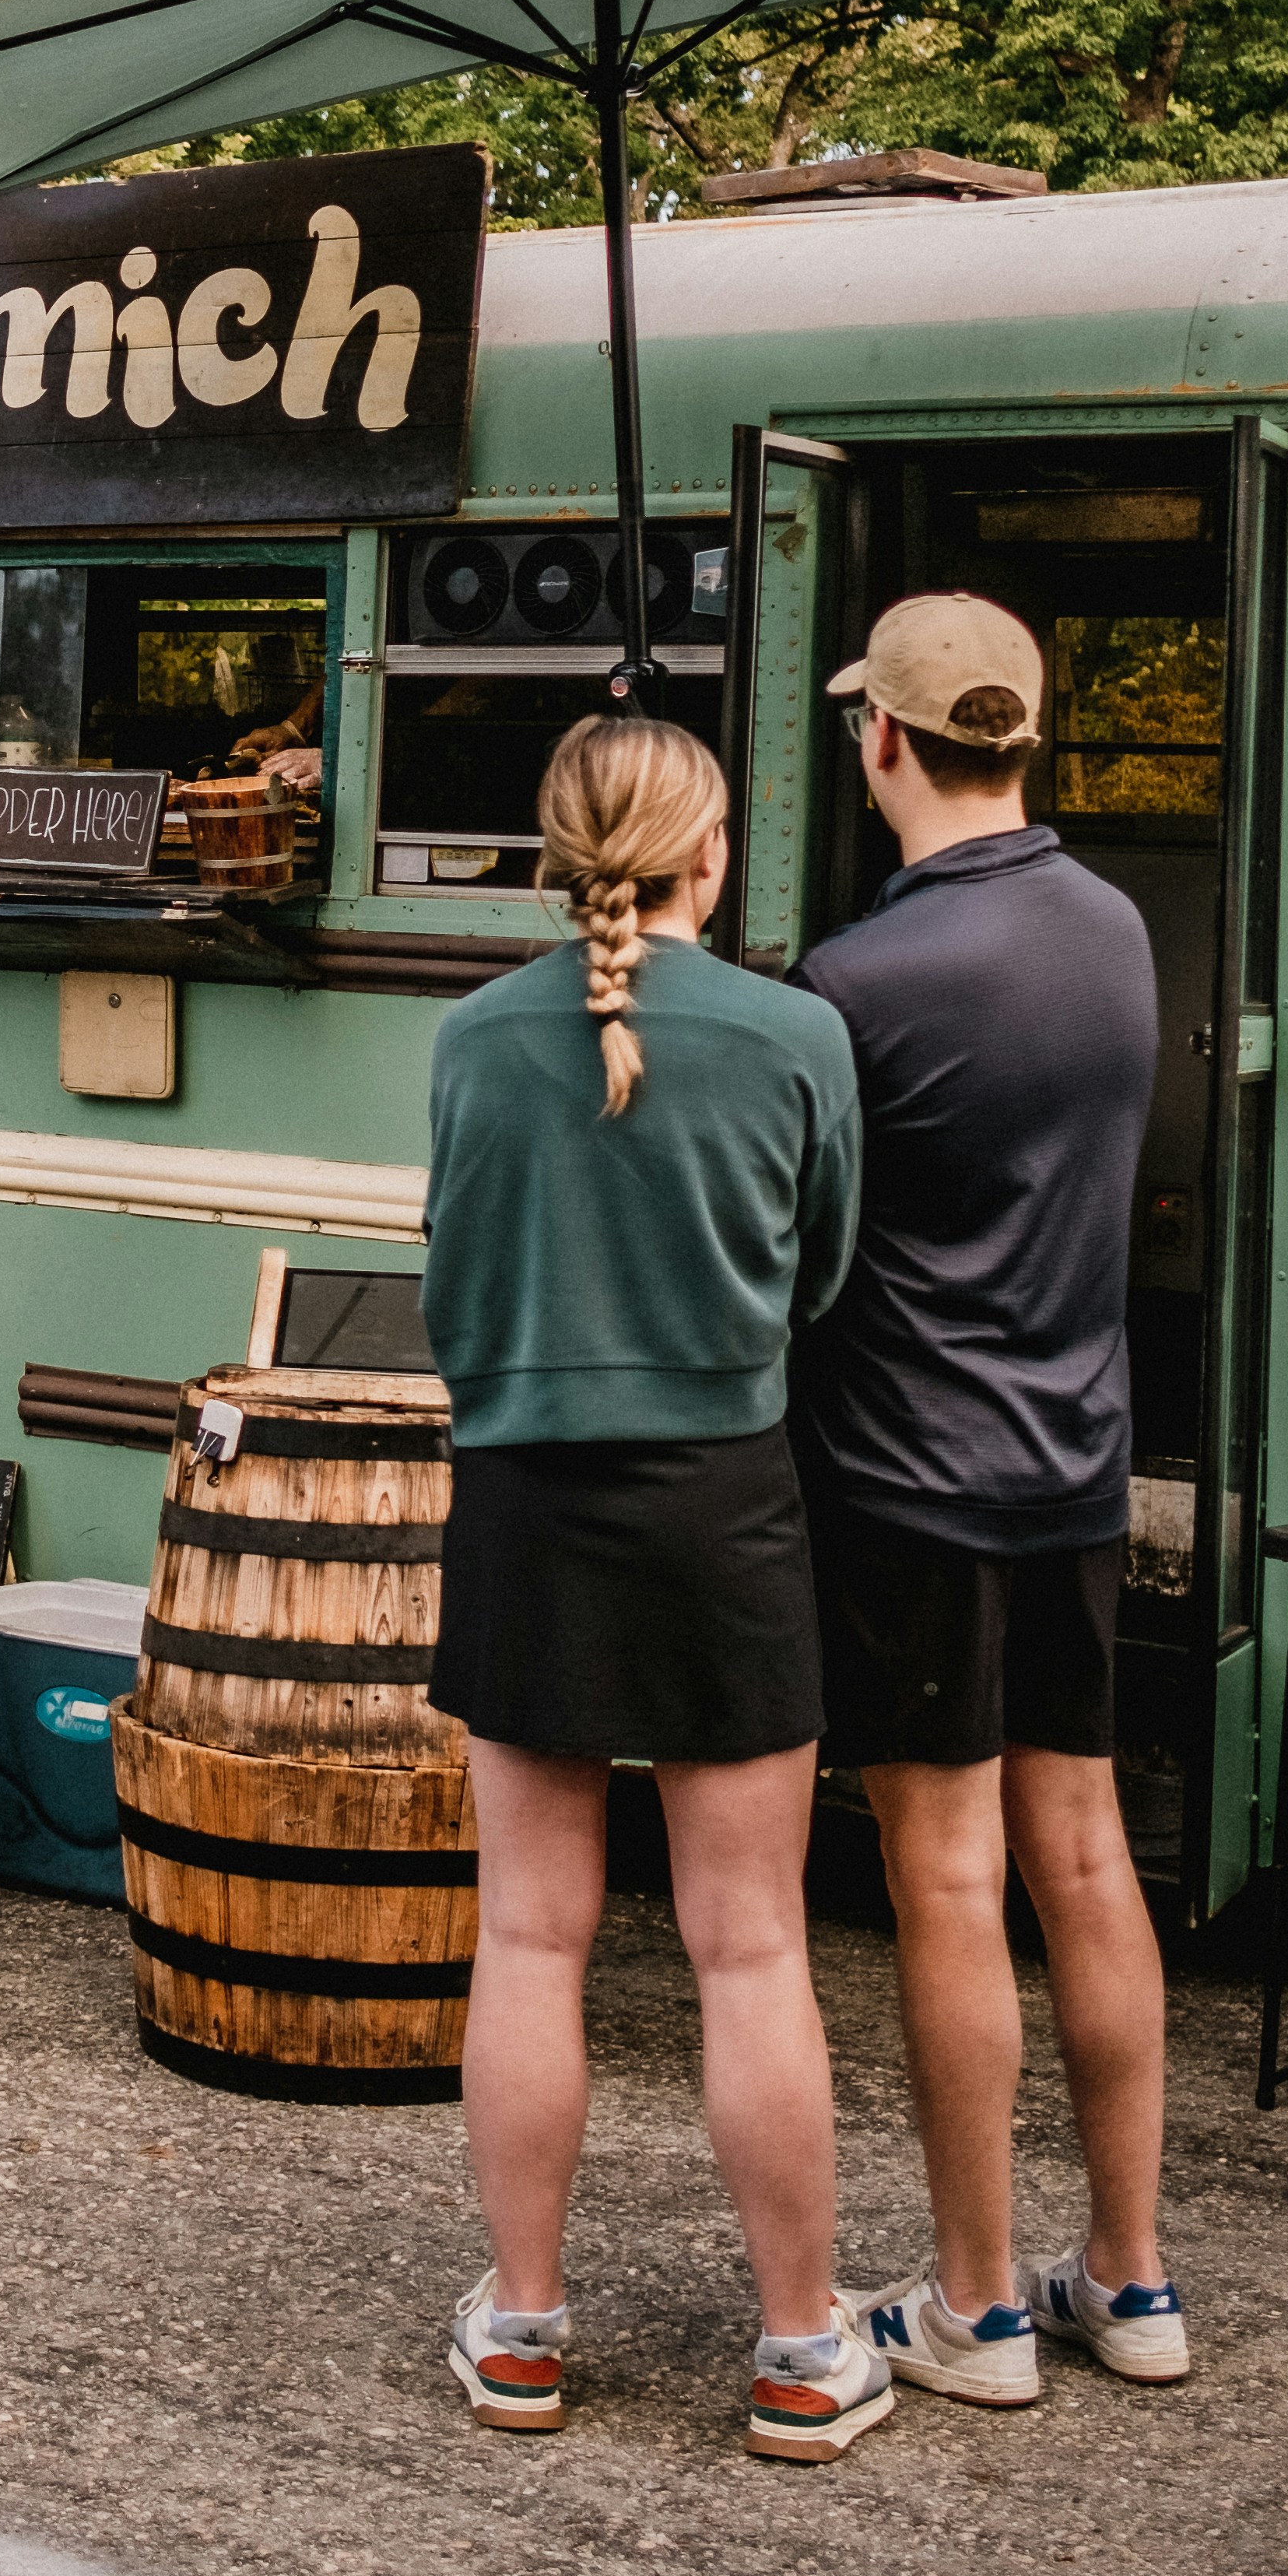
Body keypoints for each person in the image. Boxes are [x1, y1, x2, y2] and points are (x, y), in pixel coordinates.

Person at [420, 711, 892, 2460]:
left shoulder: (472, 1042)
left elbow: (452, 1293)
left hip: (529, 1500)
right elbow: (821, 1270)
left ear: (560, 862)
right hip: (724, 1505)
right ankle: (794, 2351)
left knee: (531, 1931)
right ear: (710, 856)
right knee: (751, 1941)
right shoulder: (795, 1036)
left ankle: (526, 2330)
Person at [793, 596, 1181, 2402]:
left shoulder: (855, 981)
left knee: (946, 1876)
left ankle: (976, 2305)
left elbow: (808, 1245)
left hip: (908, 1489)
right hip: (1075, 1473)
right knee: (1086, 1856)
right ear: (1019, 735)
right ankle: (1133, 2274)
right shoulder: (1113, 935)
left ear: (881, 738)